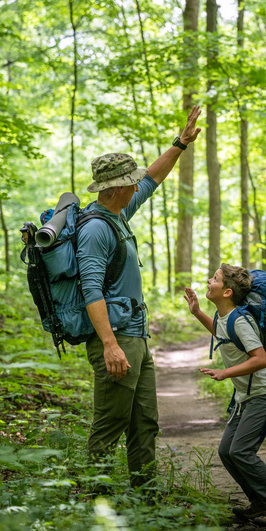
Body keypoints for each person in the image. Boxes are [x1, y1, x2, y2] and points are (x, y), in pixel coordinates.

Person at [77, 105, 201, 491]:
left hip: (136, 337)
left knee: (144, 421)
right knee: (110, 422)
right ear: (115, 189)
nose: (138, 184)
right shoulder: (96, 229)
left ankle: (145, 500)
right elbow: (90, 290)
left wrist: (179, 144)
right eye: (130, 181)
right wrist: (110, 345)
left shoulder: (118, 211)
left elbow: (152, 177)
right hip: (117, 339)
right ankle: (93, 503)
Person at [183, 264, 266, 526]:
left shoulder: (241, 320)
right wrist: (197, 312)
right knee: (227, 452)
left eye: (214, 278)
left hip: (263, 393)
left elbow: (259, 359)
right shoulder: (227, 317)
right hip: (245, 396)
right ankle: (260, 501)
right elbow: (222, 334)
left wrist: (225, 373)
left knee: (242, 452)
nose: (208, 280)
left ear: (226, 292)